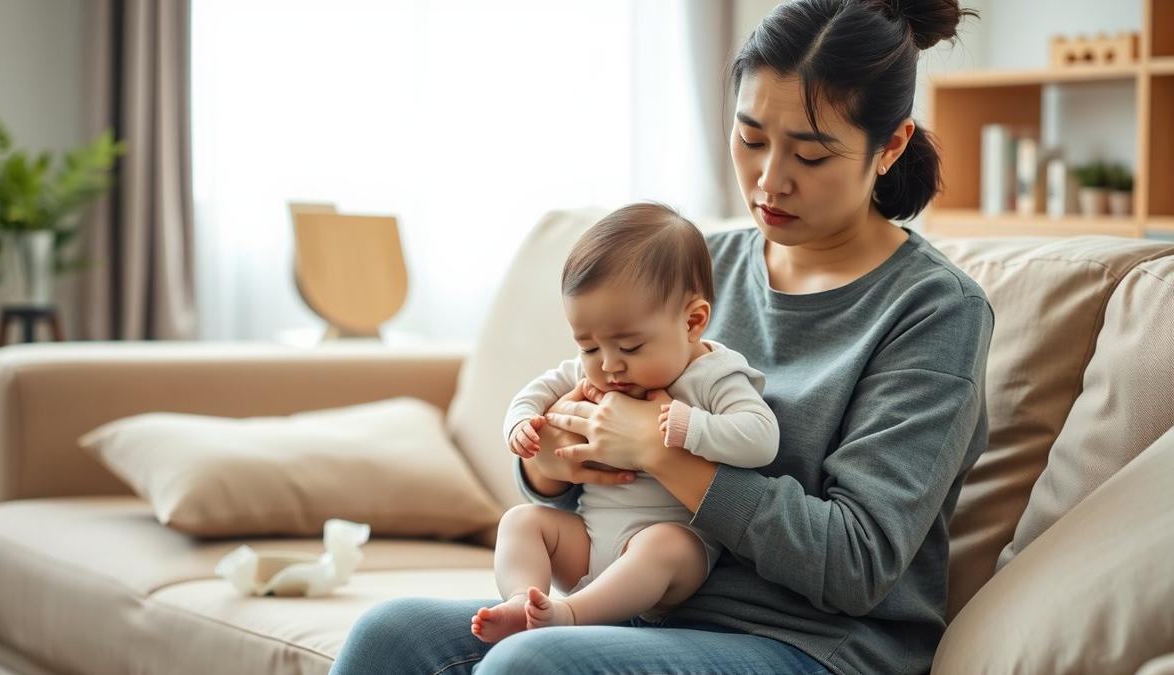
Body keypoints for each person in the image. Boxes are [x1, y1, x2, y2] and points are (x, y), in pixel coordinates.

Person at [330, 0, 990, 672]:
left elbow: (857, 562)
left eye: (811, 154)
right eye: (752, 137)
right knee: (389, 634)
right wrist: (552, 463)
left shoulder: (934, 311)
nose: (769, 180)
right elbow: (582, 457)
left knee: (527, 666)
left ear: (892, 145)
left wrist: (660, 447)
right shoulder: (704, 264)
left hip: (811, 643)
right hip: (644, 606)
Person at [472, 203, 781, 643]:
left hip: (669, 559)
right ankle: (526, 600)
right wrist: (521, 424)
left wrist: (688, 426)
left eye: (631, 347)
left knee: (664, 546)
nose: (609, 366)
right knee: (521, 521)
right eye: (588, 347)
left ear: (693, 322)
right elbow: (535, 391)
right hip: (590, 544)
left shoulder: (714, 375)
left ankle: (570, 617)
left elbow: (762, 438)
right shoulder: (594, 367)